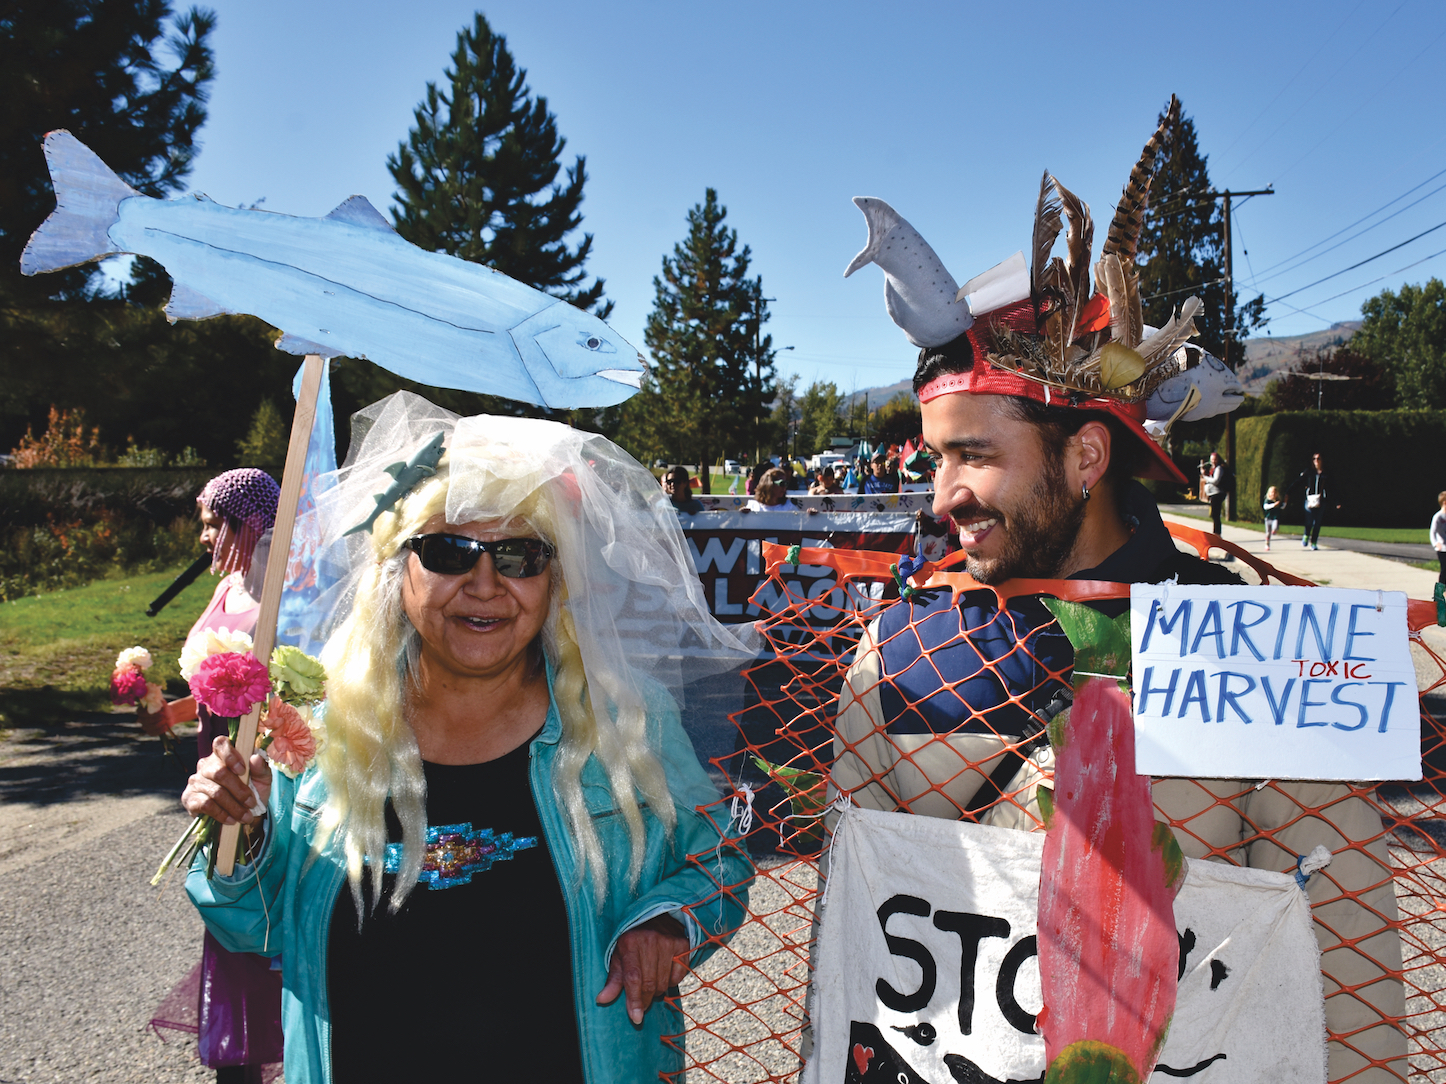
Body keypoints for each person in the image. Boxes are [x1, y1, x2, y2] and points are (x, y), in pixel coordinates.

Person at [830, 103, 1405, 1082]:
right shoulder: (898, 653)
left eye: (974, 455)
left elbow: (1350, 983)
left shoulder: (1258, 641)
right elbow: (849, 970)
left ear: (1088, 453)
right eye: (936, 458)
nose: (943, 494)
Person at [182, 394, 756, 1084]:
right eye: (450, 551)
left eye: (518, 556)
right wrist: (239, 833)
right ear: (398, 573)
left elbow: (719, 859)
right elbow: (254, 924)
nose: (485, 583)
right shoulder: (322, 730)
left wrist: (666, 924)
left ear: (552, 581)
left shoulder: (624, 726)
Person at [142, 468, 284, 1084]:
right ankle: (240, 1060)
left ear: (248, 522)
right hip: (211, 774)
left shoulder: (287, 595)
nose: (204, 536)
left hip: (257, 785)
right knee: (224, 918)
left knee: (256, 922)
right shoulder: (227, 587)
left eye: (212, 523)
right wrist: (164, 711)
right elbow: (211, 686)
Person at [1292, 451, 1337, 550]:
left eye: (1318, 458)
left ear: (1322, 461)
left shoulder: (1326, 474)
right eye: (1314, 459)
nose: (1316, 460)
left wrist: (1336, 501)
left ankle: (1314, 542)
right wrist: (1288, 493)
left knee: (1317, 523)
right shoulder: (1309, 472)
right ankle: (1306, 535)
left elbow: (1332, 488)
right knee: (1309, 521)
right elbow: (1298, 482)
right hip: (1309, 500)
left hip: (1321, 501)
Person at [1198, 450, 1227, 535]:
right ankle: (1216, 532)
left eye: (1214, 459)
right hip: (1213, 494)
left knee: (1215, 514)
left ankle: (1217, 533)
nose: (1212, 461)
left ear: (1217, 459)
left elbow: (1215, 481)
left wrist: (1205, 477)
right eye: (1211, 459)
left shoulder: (1219, 468)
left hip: (1217, 493)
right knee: (1214, 514)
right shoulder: (1213, 469)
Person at [1262, 484, 1284, 551]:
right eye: (1272, 492)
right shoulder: (1267, 500)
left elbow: (1282, 507)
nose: (1273, 494)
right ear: (1269, 493)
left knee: (1275, 526)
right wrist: (1274, 505)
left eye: (1274, 493)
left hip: (1275, 518)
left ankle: (1274, 530)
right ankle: (1267, 544)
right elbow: (1265, 507)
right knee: (1268, 533)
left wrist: (1285, 502)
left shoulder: (1278, 501)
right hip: (1268, 518)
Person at [1433, 490, 1446, 585]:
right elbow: (1432, 532)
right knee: (1445, 570)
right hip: (1442, 549)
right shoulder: (1438, 516)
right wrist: (1435, 543)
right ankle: (1440, 592)